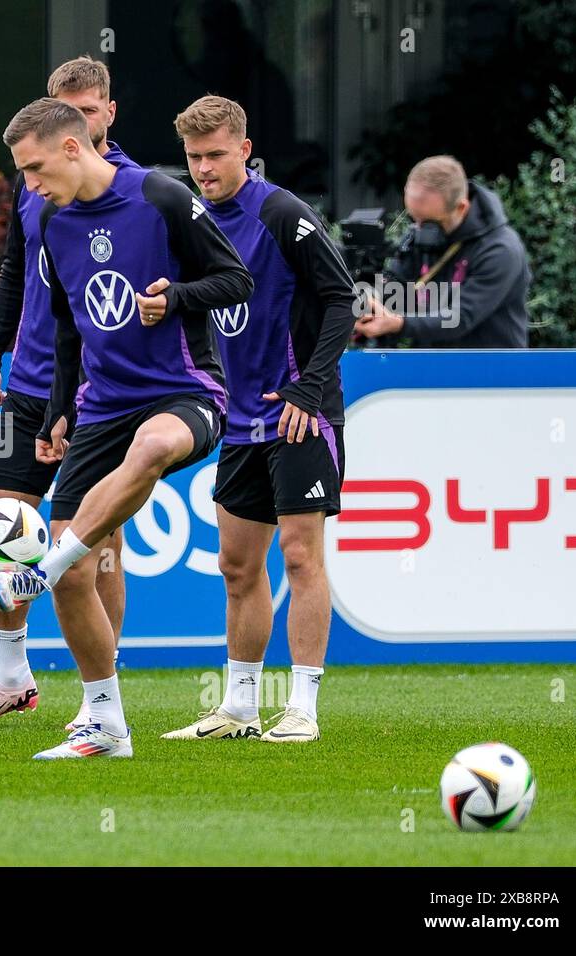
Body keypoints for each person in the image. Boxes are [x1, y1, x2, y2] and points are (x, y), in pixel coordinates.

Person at [0, 98, 253, 759]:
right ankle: (106, 724)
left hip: (187, 391)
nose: (31, 185)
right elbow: (67, 321)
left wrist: (177, 299)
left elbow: (235, 278)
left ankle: (41, 568)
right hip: (100, 404)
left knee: (154, 445)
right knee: (81, 576)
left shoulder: (162, 196)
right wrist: (59, 409)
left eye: (37, 168)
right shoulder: (51, 219)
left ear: (74, 148)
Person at [163, 95, 357, 744]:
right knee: (237, 567)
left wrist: (309, 389)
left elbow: (339, 299)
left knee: (301, 557)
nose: (205, 169)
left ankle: (302, 706)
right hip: (238, 420)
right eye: (194, 158)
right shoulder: (189, 223)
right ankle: (240, 707)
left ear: (244, 149)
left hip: (300, 416)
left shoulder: (280, 212)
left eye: (216, 155)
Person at [0, 55, 135, 731]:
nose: (76, 126)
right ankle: (11, 675)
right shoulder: (37, 185)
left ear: (107, 114)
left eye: (88, 112)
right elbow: (15, 272)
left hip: (101, 393)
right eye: (65, 111)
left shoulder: (134, 191)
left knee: (98, 543)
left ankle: (102, 699)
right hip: (27, 385)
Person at [355, 155, 530, 347]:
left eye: (429, 224)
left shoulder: (500, 250)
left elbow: (461, 316)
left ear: (462, 208)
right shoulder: (424, 232)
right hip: (432, 368)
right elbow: (397, 284)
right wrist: (371, 300)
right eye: (414, 219)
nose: (419, 230)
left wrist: (398, 324)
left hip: (491, 370)